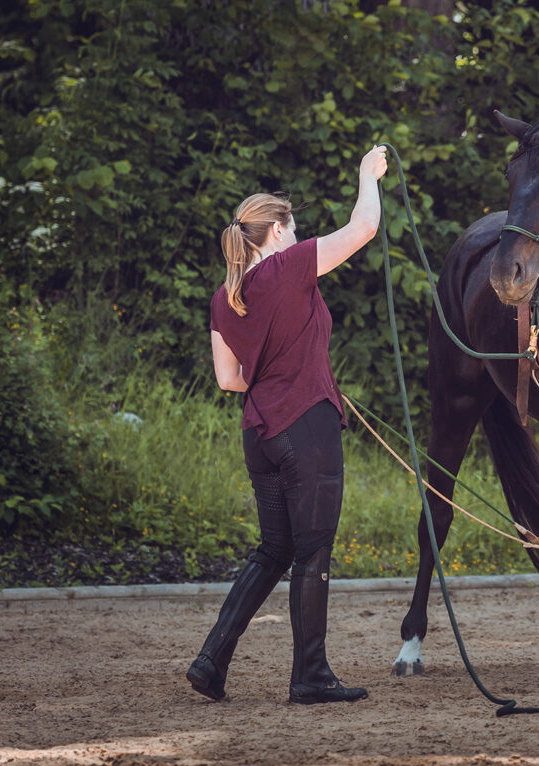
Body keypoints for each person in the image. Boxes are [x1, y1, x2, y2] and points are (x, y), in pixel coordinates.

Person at [186, 145, 388, 705]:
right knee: (312, 550)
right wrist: (366, 173)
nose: (298, 237)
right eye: (293, 227)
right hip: (306, 430)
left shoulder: (224, 298)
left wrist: (277, 375)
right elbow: (364, 225)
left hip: (261, 434)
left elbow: (229, 379)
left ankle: (210, 662)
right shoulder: (289, 267)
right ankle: (310, 677)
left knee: (274, 550)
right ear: (275, 232)